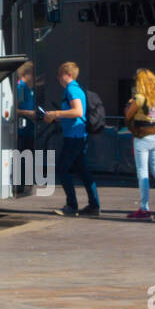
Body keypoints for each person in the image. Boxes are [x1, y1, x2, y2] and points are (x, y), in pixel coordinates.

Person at [43, 62, 100, 217]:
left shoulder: (71, 89)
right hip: (78, 135)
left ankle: (71, 205)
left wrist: (55, 113)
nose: (58, 78)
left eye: (59, 75)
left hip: (74, 137)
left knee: (62, 168)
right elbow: (76, 115)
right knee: (83, 171)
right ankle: (94, 205)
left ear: (66, 75)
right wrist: (56, 117)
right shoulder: (77, 88)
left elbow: (77, 111)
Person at [123, 69, 155, 219]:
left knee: (142, 172)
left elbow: (128, 114)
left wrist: (129, 103)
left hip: (142, 137)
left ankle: (144, 208)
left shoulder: (139, 98)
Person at [14, 62, 37, 193]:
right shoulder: (20, 87)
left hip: (28, 128)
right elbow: (15, 108)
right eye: (32, 74)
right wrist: (28, 113)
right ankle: (21, 184)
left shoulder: (28, 88)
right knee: (23, 155)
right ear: (25, 74)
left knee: (27, 155)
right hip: (22, 128)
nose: (33, 77)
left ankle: (25, 183)